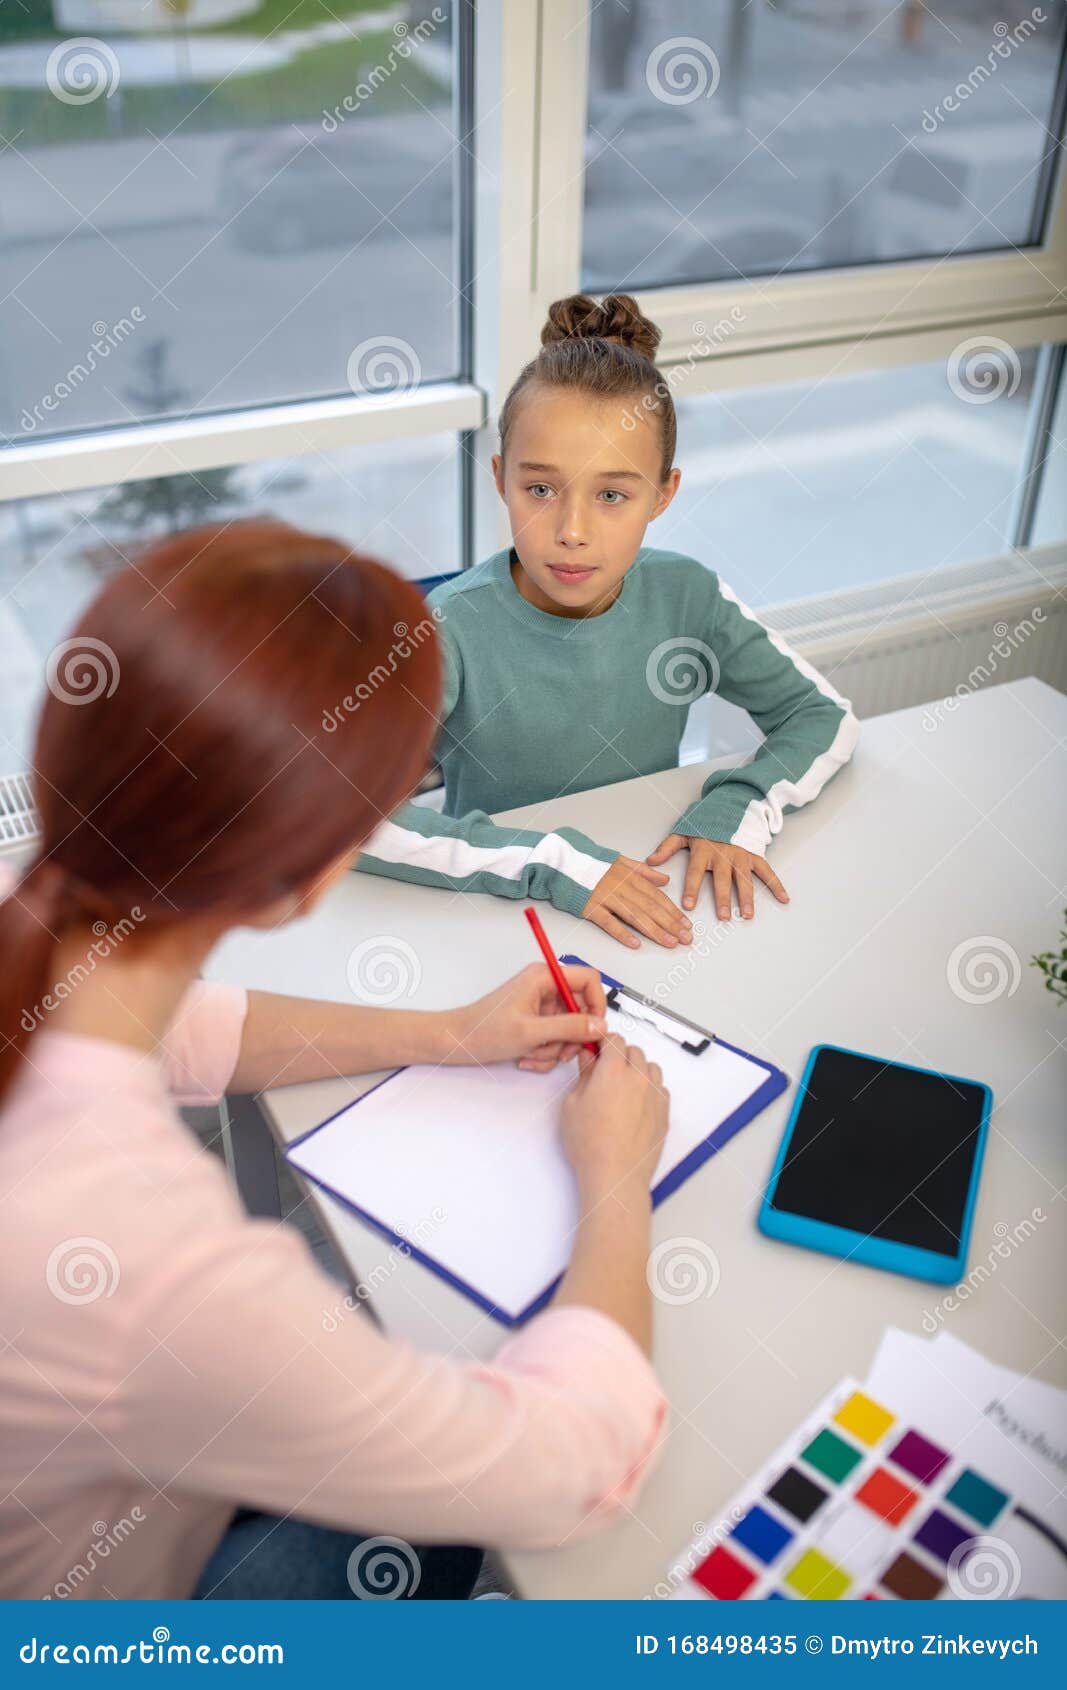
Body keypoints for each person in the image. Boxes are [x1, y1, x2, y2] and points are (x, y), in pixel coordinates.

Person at [0, 521, 669, 1601]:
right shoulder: (157, 1262)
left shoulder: (41, 937)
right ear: (309, 878)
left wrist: (447, 1033)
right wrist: (613, 1180)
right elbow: (574, 1468)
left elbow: (174, 1024)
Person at [357, 293, 859, 947]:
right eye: (540, 489)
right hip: (497, 915)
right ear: (500, 478)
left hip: (653, 891)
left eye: (612, 495)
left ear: (662, 494)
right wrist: (557, 865)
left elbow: (824, 717)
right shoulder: (448, 628)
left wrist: (740, 802)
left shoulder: (687, 595)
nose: (571, 532)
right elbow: (346, 815)